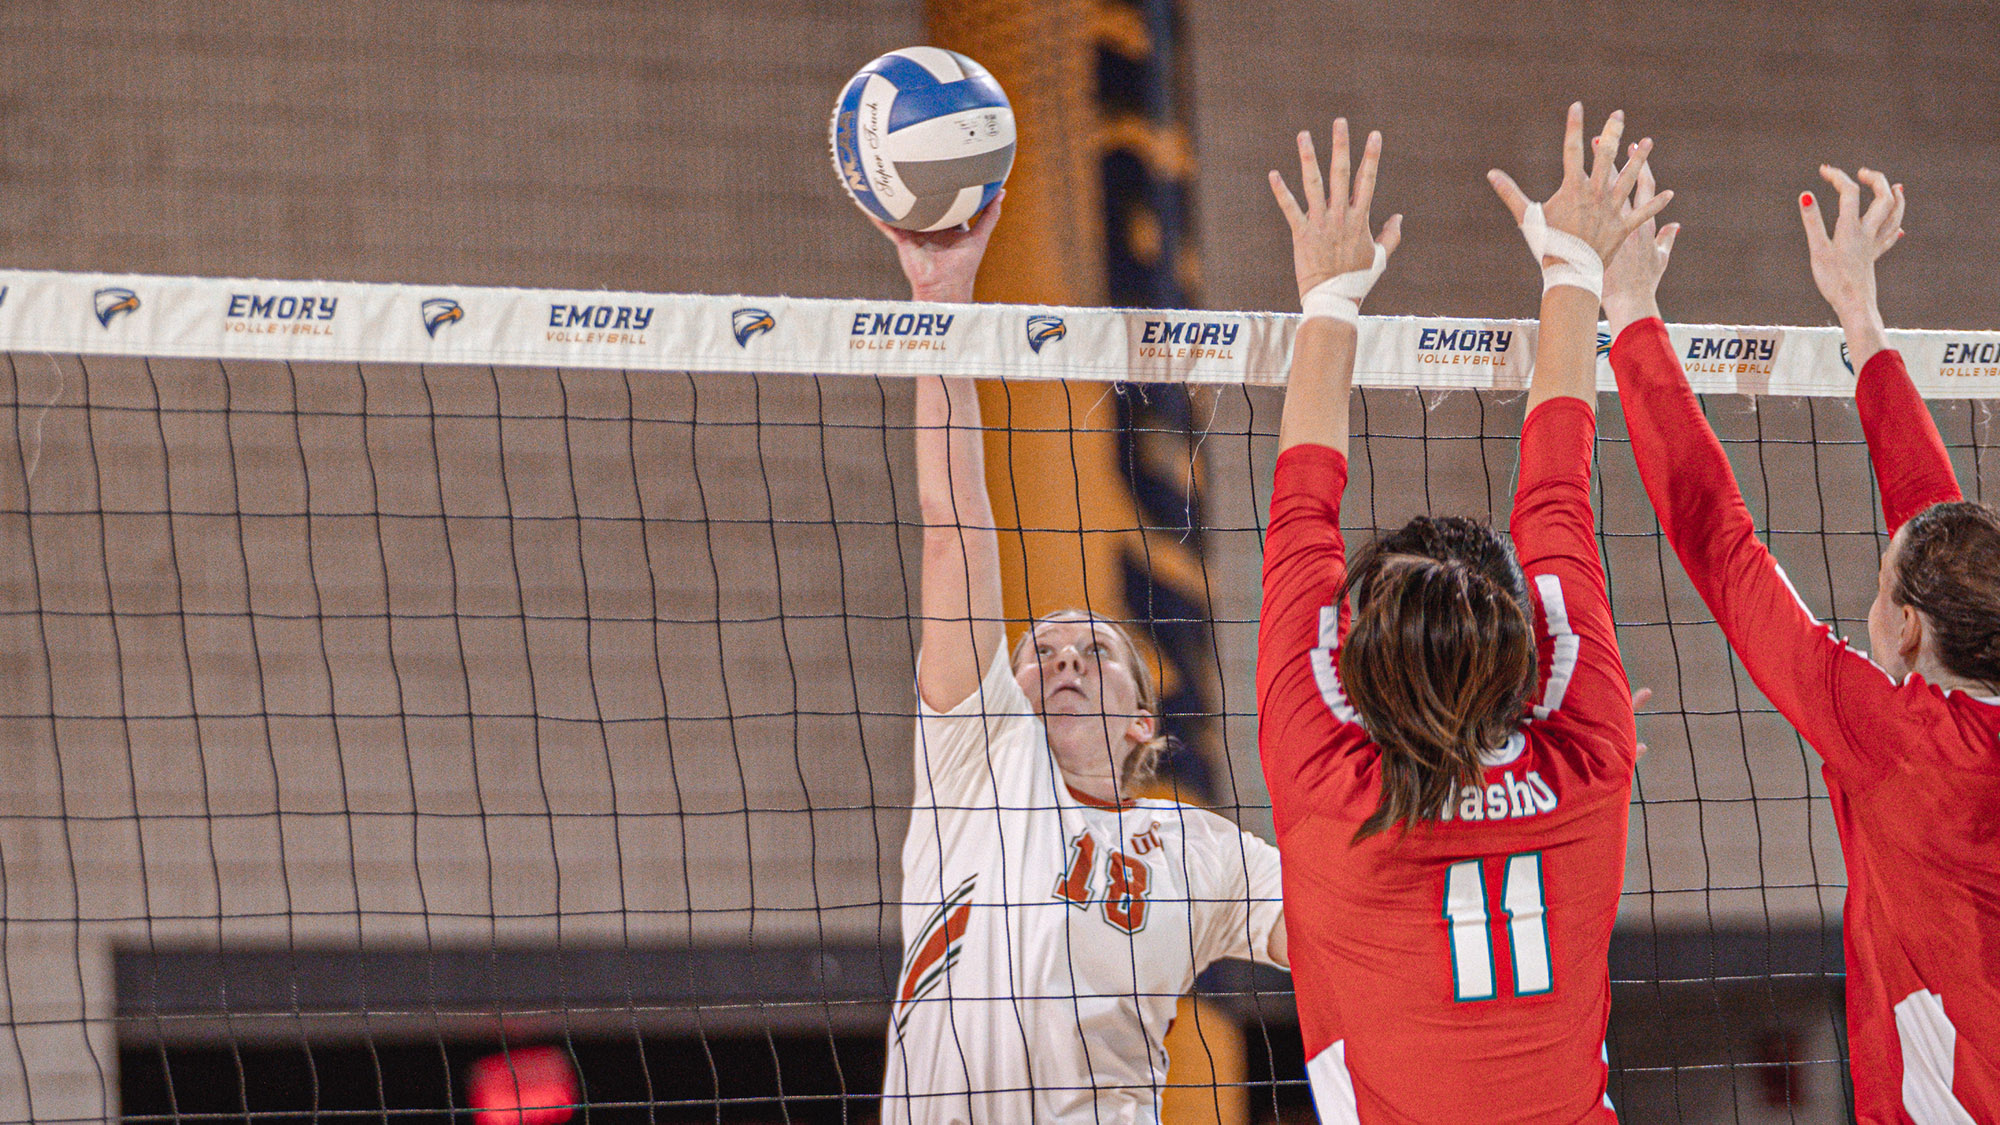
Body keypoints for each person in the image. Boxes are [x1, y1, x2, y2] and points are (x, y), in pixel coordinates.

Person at [1257, 105, 1664, 1122]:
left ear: (1356, 665)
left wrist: (1336, 291)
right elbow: (1553, 504)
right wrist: (1570, 271)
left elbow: (1307, 513)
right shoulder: (1582, 744)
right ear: (1526, 656)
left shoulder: (1335, 783)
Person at [873, 194, 1290, 1124]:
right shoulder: (977, 761)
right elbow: (955, 526)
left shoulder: (1202, 851)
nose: (1059, 659)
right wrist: (943, 295)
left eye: (1093, 648)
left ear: (1145, 719)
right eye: (1038, 652)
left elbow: (1350, 920)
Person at [1602, 160, 2000, 1120]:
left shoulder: (1899, 742)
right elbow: (1938, 534)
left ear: (1906, 627)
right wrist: (1862, 322)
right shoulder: (1939, 701)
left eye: (1878, 586)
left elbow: (1724, 549)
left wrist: (1632, 318)